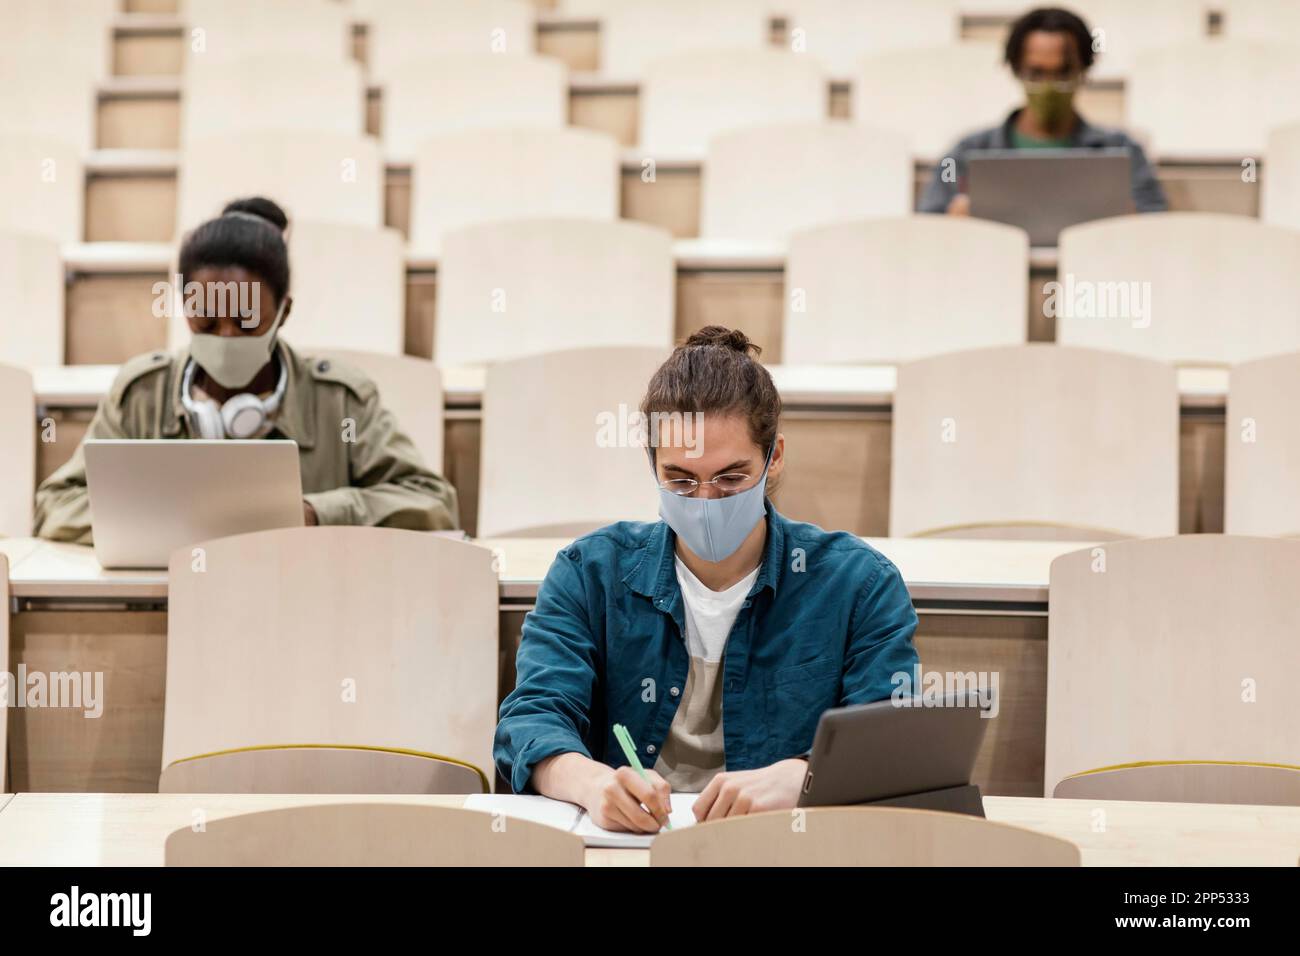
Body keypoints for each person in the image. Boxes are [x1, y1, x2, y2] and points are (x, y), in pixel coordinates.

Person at [494, 326, 919, 832]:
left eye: (732, 478)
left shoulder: (857, 585)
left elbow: (895, 737)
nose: (705, 500)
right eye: (681, 479)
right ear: (651, 464)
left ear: (774, 457)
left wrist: (803, 777)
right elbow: (530, 720)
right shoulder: (589, 574)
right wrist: (590, 783)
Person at [34, 197, 459, 543]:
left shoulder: (339, 398)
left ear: (284, 312)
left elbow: (432, 503)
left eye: (246, 319)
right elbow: (56, 504)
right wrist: (168, 521)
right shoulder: (142, 394)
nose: (227, 336)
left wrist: (313, 514)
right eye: (207, 319)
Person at [920, 6, 1167, 216]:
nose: (1049, 86)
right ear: (1016, 69)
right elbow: (930, 224)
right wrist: (952, 221)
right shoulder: (964, 154)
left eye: (1063, 72)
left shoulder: (1123, 152)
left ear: (1084, 71)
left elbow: (1155, 228)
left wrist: (1133, 220)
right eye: (1036, 73)